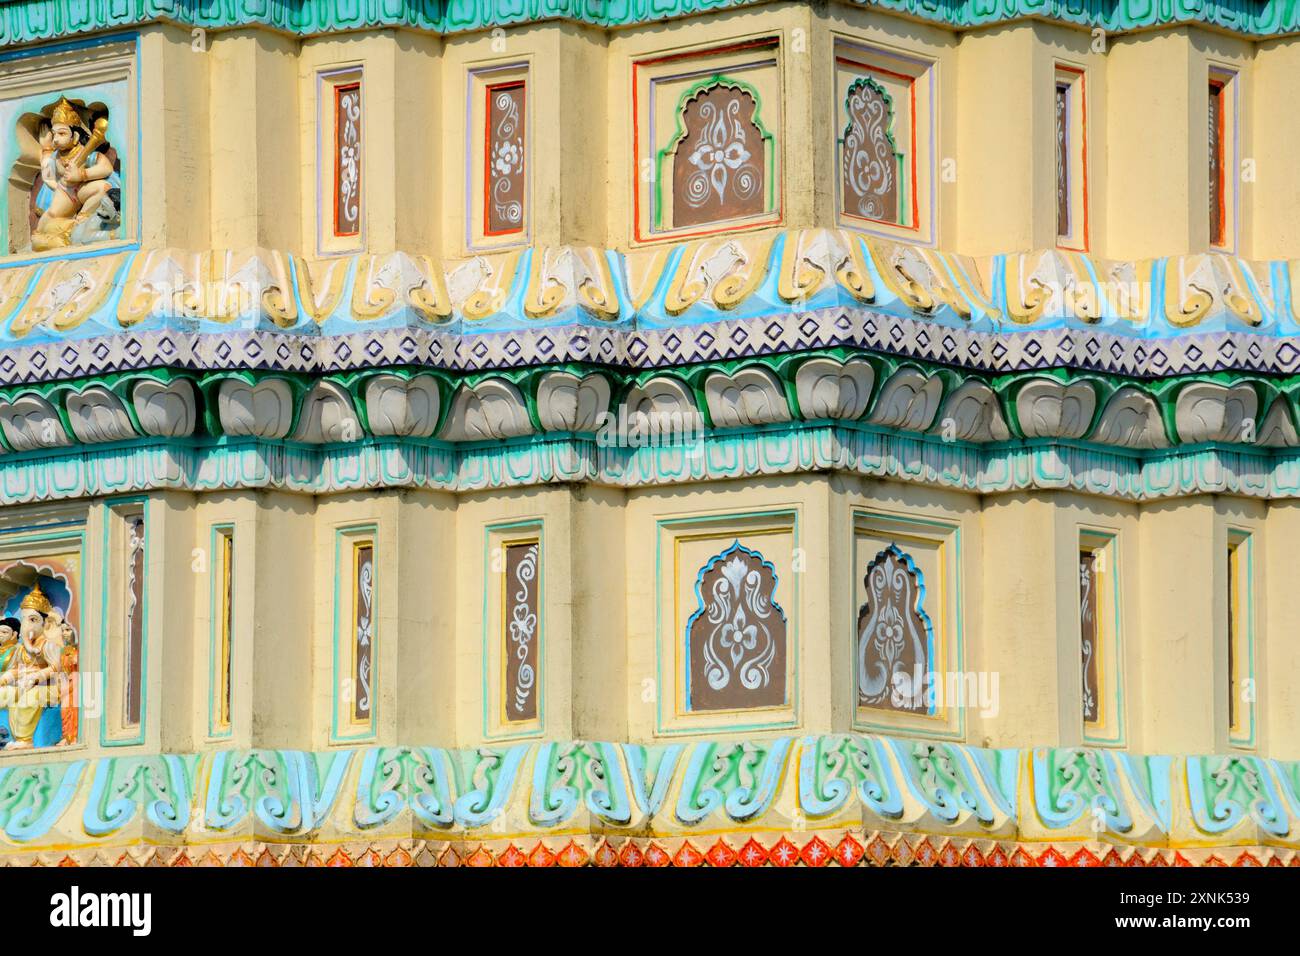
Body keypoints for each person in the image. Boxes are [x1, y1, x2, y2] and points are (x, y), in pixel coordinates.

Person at [31, 97, 117, 251]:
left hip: (83, 189)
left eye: (62, 134)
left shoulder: (87, 153)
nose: (56, 139)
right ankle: (45, 236)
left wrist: (82, 175)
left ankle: (81, 220)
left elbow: (106, 168)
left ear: (76, 136)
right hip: (66, 192)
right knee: (49, 218)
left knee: (103, 187)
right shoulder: (56, 157)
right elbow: (47, 175)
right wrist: (46, 149)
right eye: (54, 134)